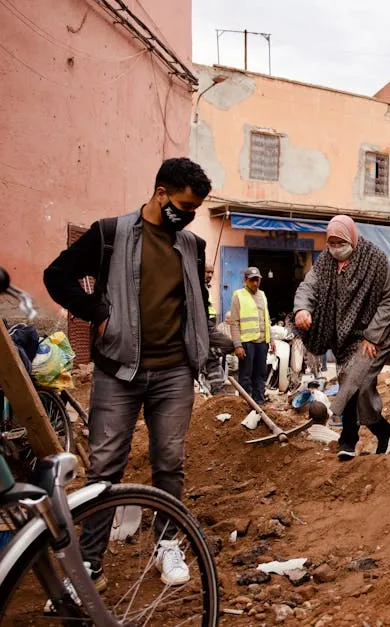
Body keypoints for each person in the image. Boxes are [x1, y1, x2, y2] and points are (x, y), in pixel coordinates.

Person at [44, 157, 213, 588]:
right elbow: (57, 275)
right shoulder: (110, 234)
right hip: (117, 370)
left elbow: (195, 303)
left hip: (174, 373)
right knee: (105, 468)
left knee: (169, 462)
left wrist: (204, 343)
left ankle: (166, 544)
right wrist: (98, 314)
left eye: (194, 210)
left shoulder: (191, 245)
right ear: (160, 194)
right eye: (183, 205)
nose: (188, 215)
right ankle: (90, 565)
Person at [293, 215, 390, 460]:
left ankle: (348, 440)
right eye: (331, 243)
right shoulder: (326, 262)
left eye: (340, 242)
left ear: (352, 237)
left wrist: (372, 336)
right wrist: (302, 309)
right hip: (346, 335)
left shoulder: (375, 259)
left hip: (377, 332)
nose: (336, 248)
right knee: (352, 385)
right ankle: (383, 431)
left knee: (353, 383)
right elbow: (309, 285)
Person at [230, 267, 271, 406]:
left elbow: (266, 318)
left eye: (257, 280)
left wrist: (270, 339)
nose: (255, 283)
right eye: (252, 280)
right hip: (247, 343)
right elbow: (234, 322)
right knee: (246, 376)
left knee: (260, 375)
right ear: (245, 280)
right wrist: (237, 344)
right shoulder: (238, 295)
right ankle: (245, 404)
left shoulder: (263, 295)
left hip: (262, 342)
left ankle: (259, 403)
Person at [201, 263, 228, 395]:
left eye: (212, 272)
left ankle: (218, 390)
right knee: (228, 345)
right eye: (207, 272)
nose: (210, 275)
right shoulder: (198, 286)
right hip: (204, 327)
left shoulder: (206, 288)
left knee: (215, 359)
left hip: (211, 325)